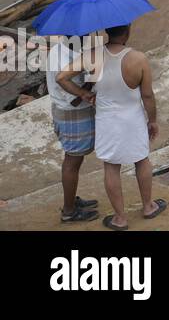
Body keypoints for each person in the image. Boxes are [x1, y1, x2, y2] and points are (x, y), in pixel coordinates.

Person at [58, 24, 164, 230]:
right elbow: (148, 95)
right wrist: (152, 121)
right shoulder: (138, 59)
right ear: (126, 33)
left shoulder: (93, 55)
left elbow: (61, 77)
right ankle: (148, 207)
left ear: (107, 32)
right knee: (142, 160)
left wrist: (82, 94)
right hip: (132, 118)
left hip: (107, 120)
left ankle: (120, 219)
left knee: (111, 167)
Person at [48, 33, 99, 223]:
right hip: (73, 115)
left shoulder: (61, 49)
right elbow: (76, 98)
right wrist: (91, 84)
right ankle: (69, 211)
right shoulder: (64, 59)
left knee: (73, 160)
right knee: (72, 162)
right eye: (84, 35)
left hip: (65, 111)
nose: (87, 37)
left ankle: (71, 201)